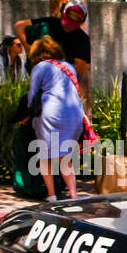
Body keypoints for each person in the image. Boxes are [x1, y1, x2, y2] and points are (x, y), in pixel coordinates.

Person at [26, 36, 87, 202]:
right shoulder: (69, 67)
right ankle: (73, 195)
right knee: (64, 157)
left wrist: (30, 114)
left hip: (51, 113)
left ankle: (51, 195)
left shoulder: (39, 67)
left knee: (46, 155)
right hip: (74, 113)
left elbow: (32, 96)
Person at [15, 0, 91, 103]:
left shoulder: (83, 40)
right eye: (67, 22)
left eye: (73, 24)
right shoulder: (49, 23)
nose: (68, 26)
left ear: (82, 22)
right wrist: (28, 47)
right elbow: (19, 25)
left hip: (62, 90)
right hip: (37, 83)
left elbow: (80, 70)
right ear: (62, 13)